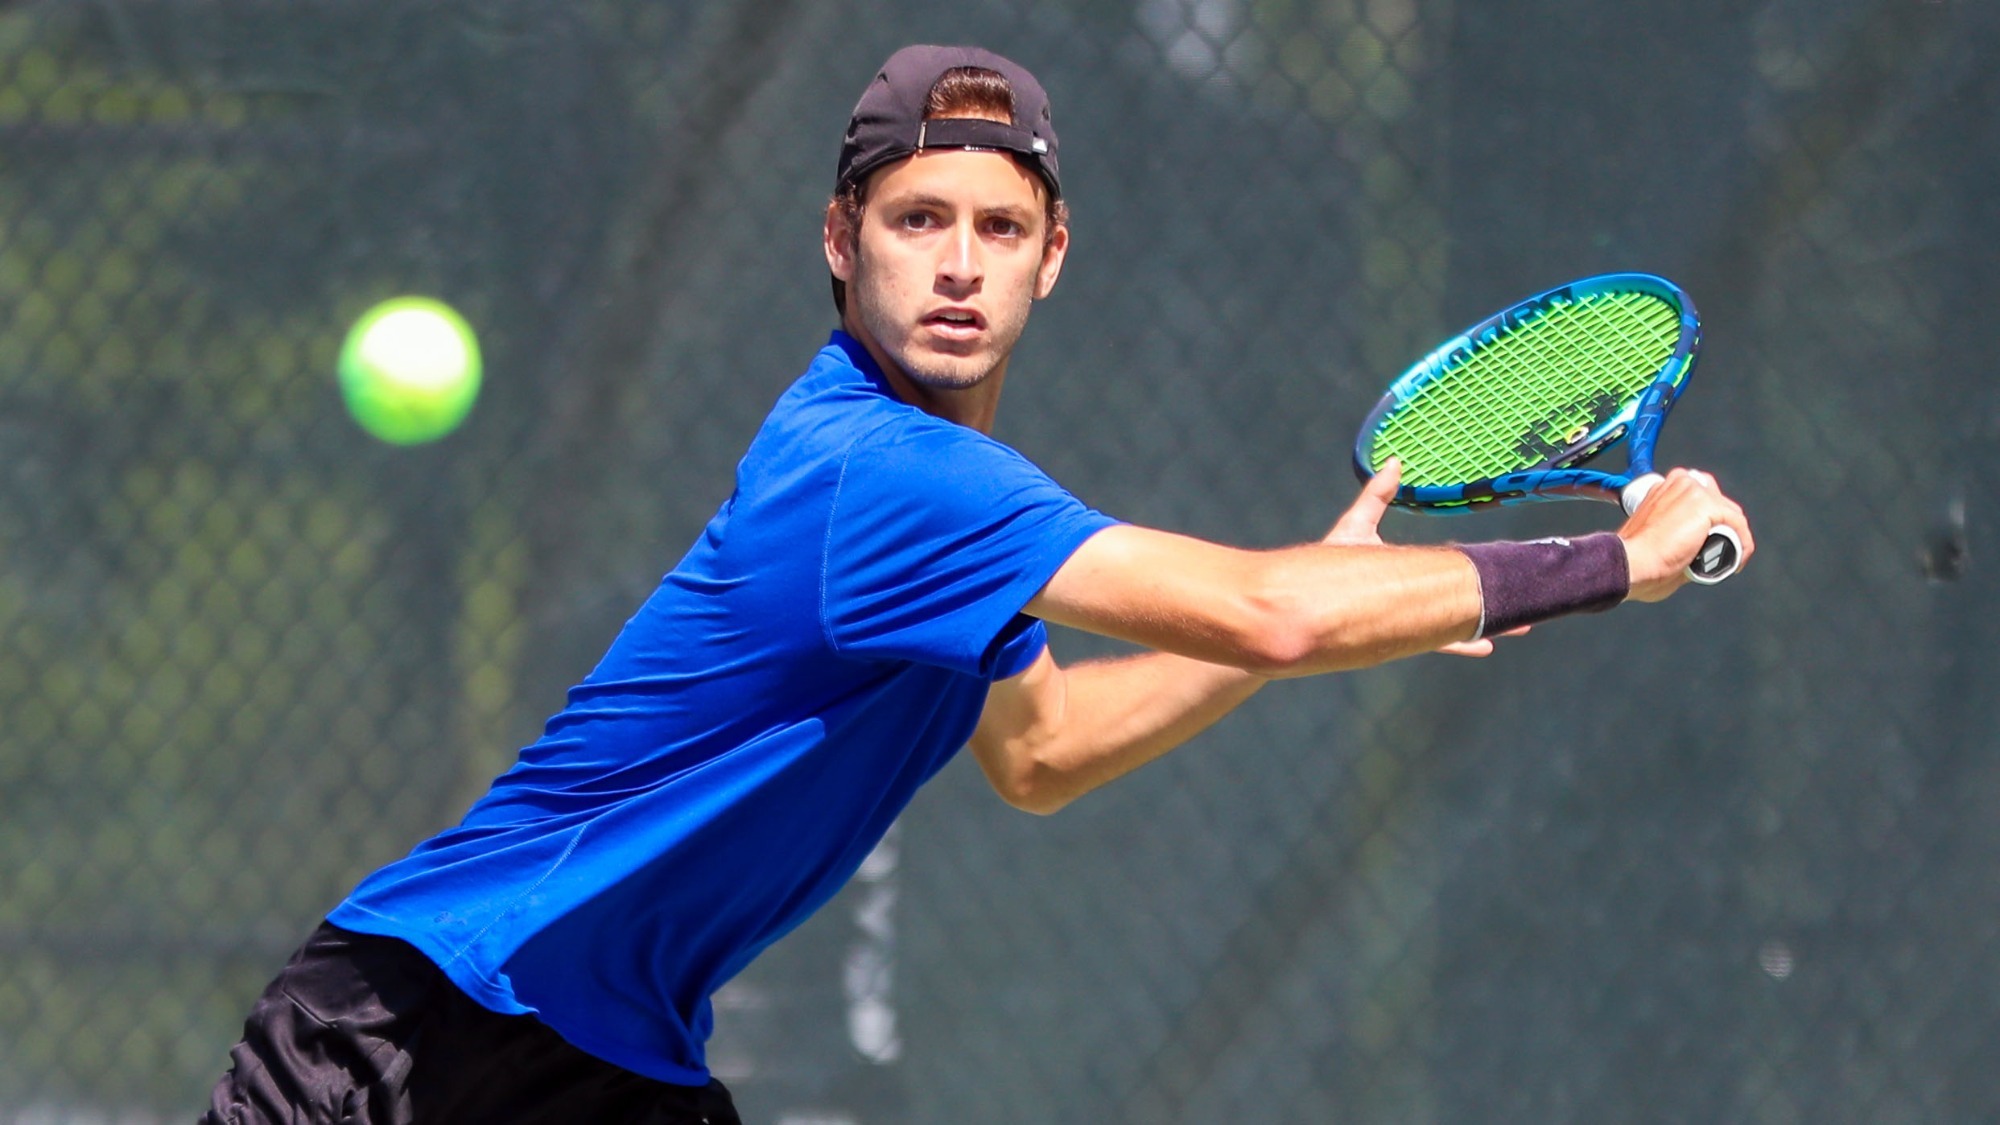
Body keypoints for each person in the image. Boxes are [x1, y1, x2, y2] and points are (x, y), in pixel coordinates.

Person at [204, 44, 1753, 1124]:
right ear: (840, 240)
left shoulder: (955, 530)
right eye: (917, 220)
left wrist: (1333, 600)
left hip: (610, 1065)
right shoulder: (884, 475)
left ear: (1052, 255)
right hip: (420, 1032)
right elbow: (1264, 606)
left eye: (998, 226)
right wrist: (1614, 559)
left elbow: (1045, 751)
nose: (958, 263)